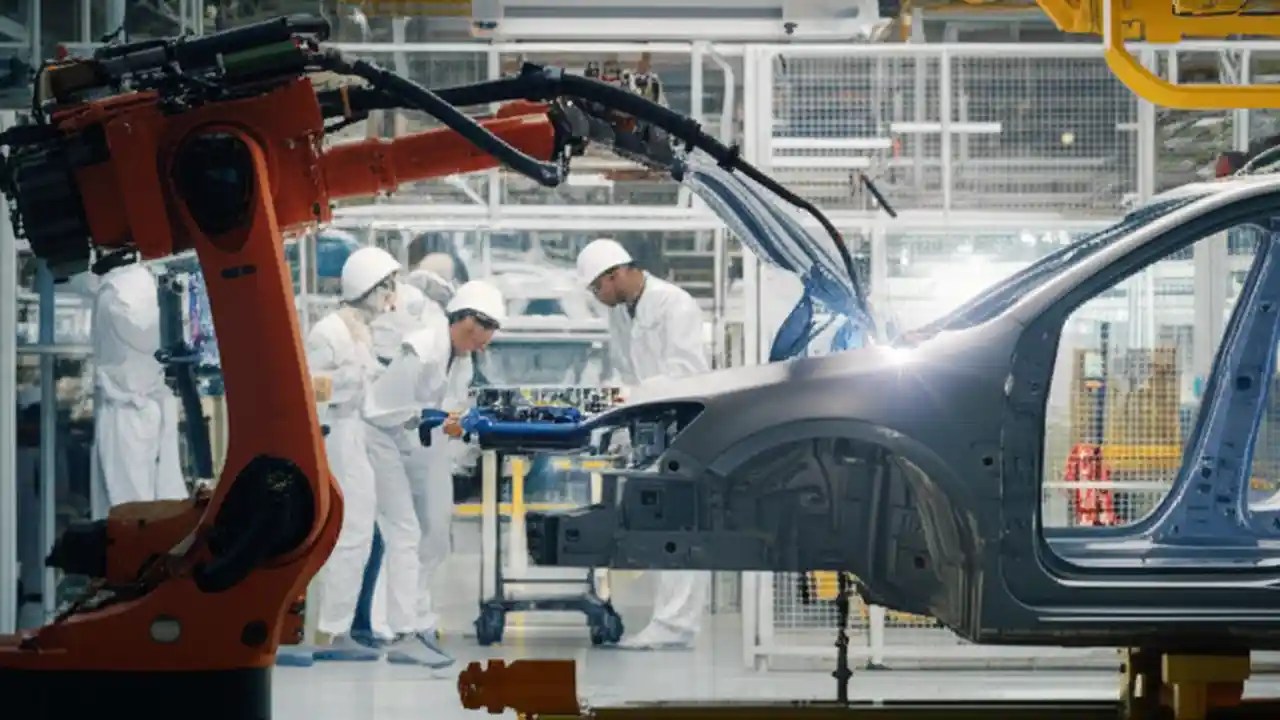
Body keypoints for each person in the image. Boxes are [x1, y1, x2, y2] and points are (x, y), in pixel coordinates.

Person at [575, 238, 712, 650]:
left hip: (685, 426)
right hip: (651, 427)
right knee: (658, 524)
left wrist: (634, 398)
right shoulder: (622, 313)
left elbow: (688, 372)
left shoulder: (675, 304)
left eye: (596, 288)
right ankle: (669, 622)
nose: (597, 297)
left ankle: (676, 626)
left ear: (615, 275)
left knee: (679, 526)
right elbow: (623, 371)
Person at [307, 246, 437, 666]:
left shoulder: (359, 330)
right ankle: (331, 630)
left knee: (363, 534)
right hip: (339, 434)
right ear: (369, 288)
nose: (391, 297)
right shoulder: (328, 332)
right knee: (352, 532)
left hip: (359, 432)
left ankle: (341, 627)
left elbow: (372, 382)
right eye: (387, 288)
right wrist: (353, 378)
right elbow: (312, 390)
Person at [363, 280, 505, 654]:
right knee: (404, 531)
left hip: (424, 445)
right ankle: (392, 624)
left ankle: (418, 614)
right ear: (469, 322)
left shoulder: (461, 360)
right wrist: (435, 418)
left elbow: (449, 409)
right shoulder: (421, 350)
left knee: (437, 535)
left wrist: (457, 426)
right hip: (385, 442)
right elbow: (382, 411)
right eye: (485, 332)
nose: (485, 343)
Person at [88, 263, 187, 520]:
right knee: (154, 507)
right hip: (143, 407)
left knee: (129, 511)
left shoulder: (114, 292)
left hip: (129, 412)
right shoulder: (138, 290)